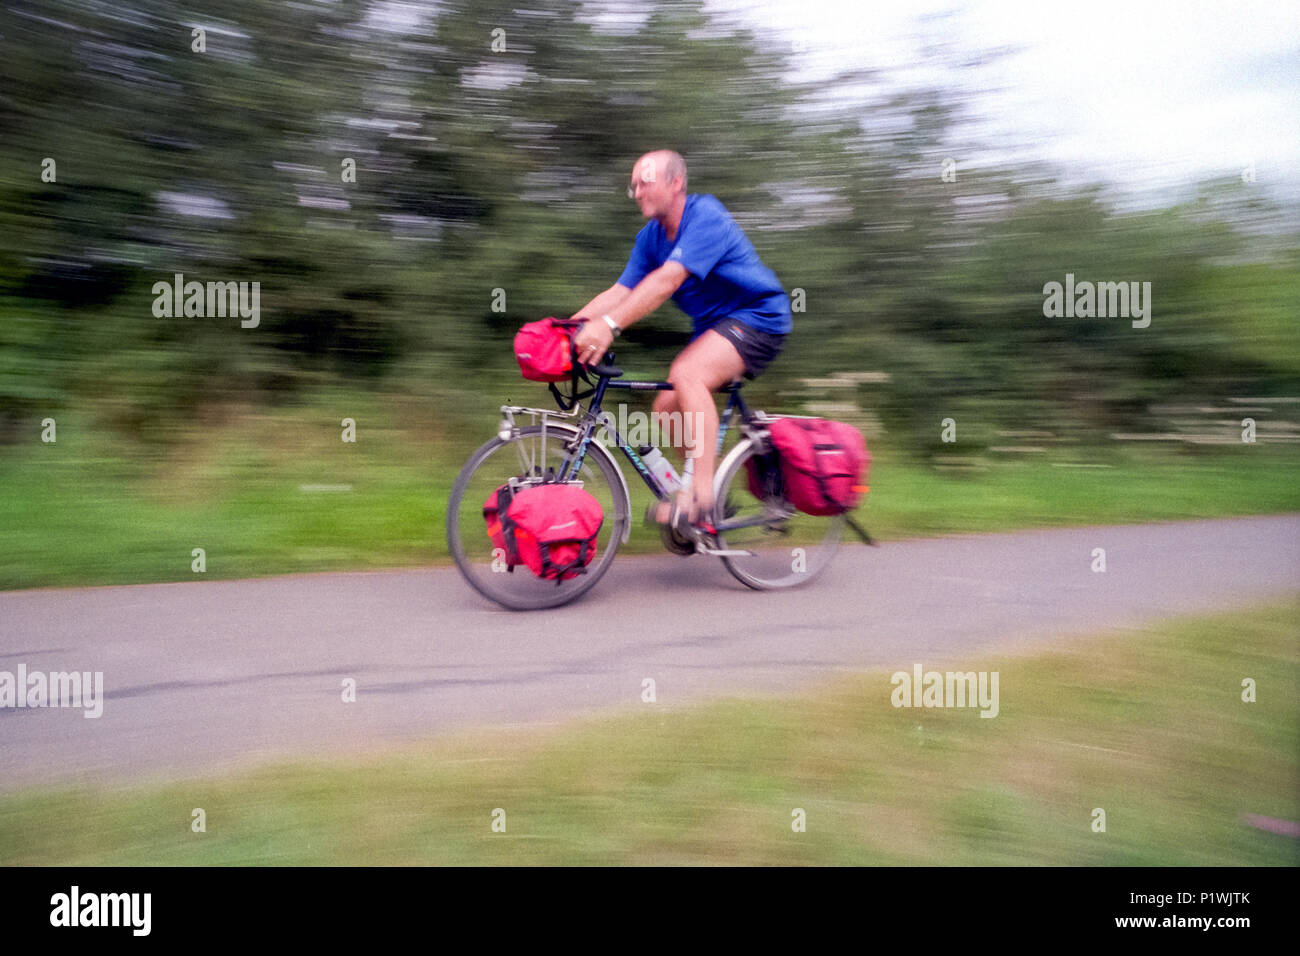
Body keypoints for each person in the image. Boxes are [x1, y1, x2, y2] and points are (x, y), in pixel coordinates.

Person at [571, 150, 791, 532]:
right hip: (715, 329)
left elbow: (666, 281)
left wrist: (608, 326)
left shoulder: (707, 217)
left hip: (759, 318)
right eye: (634, 185)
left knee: (687, 373)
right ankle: (696, 491)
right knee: (666, 406)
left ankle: (702, 498)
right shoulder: (650, 239)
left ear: (677, 183)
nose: (637, 191)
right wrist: (567, 328)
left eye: (646, 181)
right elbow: (621, 291)